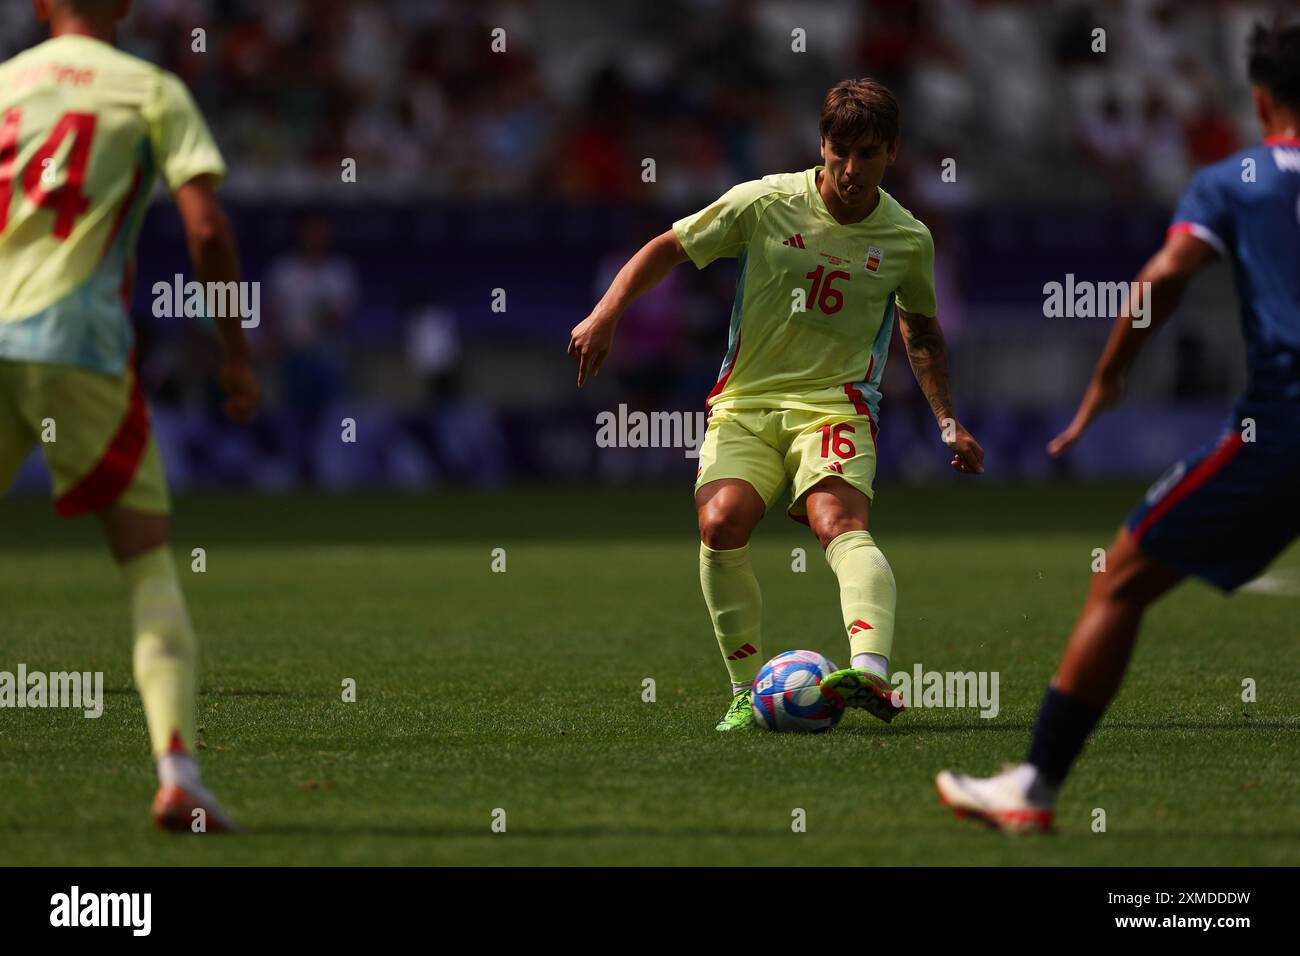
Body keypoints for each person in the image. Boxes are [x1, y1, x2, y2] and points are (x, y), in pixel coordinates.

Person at [936, 18, 1300, 834]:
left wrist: (1105, 385)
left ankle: (1032, 788)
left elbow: (1163, 277)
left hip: (1286, 424)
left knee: (1123, 578)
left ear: (1261, 95)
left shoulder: (1233, 178)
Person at [569, 78, 983, 732]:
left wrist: (948, 423)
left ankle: (869, 675)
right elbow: (669, 247)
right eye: (839, 151)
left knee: (837, 522)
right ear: (821, 145)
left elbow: (922, 333)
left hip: (835, 406)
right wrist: (606, 314)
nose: (851, 169)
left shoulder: (907, 239)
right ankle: (743, 688)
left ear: (892, 153)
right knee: (720, 524)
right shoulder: (764, 202)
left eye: (868, 154)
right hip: (745, 404)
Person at [0, 0, 259, 832]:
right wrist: (234, 352)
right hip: (76, 346)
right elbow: (207, 228)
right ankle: (178, 775)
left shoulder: (5, 85)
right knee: (144, 562)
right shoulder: (150, 90)